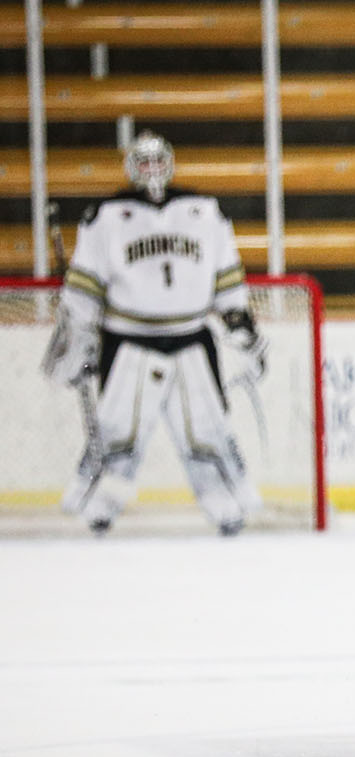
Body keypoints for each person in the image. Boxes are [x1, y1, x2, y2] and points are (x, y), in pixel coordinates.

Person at [38, 131, 266, 536]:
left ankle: (227, 505)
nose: (152, 170)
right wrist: (79, 335)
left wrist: (237, 317)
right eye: (143, 162)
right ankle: (99, 507)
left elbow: (226, 270)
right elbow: (85, 286)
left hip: (191, 337)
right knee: (116, 431)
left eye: (157, 161)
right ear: (130, 167)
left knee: (207, 429)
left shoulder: (203, 210)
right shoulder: (106, 215)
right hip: (128, 338)